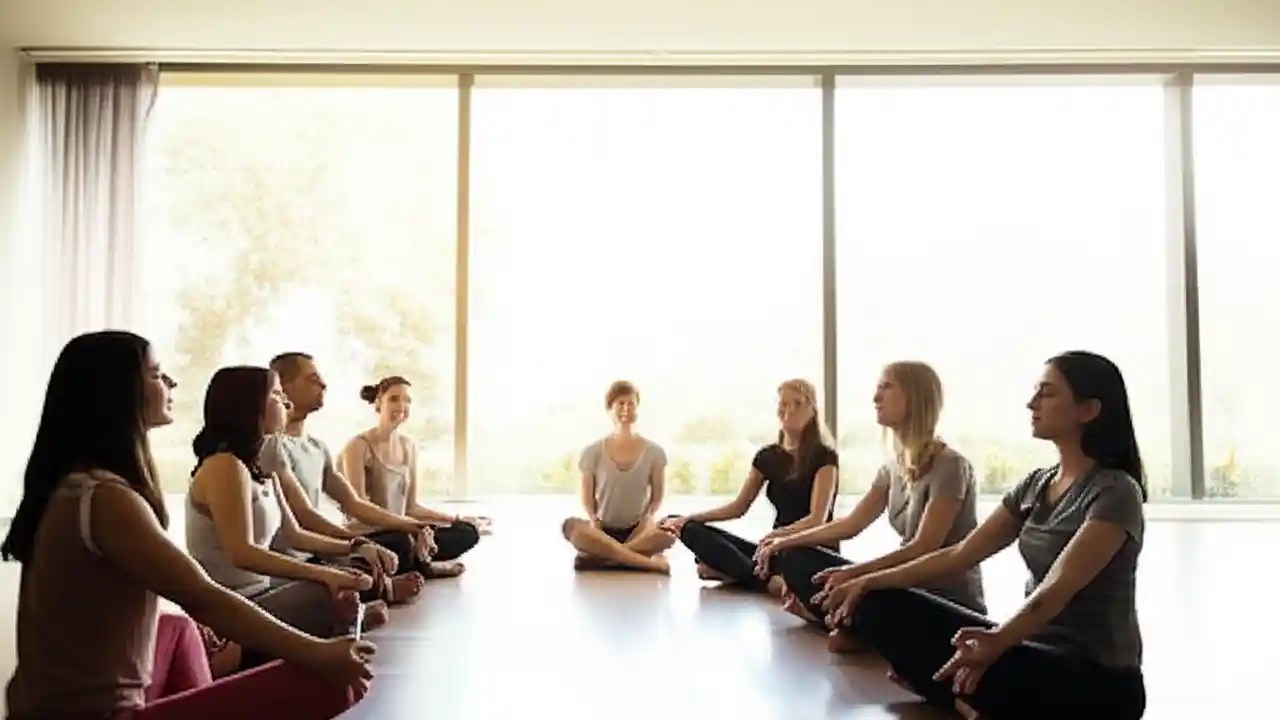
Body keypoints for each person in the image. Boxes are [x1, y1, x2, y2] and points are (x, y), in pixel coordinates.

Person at [2, 331, 374, 719]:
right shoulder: (104, 497)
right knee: (334, 682)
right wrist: (317, 652)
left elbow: (156, 587)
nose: (171, 382)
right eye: (157, 374)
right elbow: (201, 594)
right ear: (118, 392)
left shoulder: (81, 487)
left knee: (177, 629)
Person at [817, 351, 1148, 719]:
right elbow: (959, 554)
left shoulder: (1116, 492)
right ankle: (970, 699)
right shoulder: (1036, 485)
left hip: (1097, 680)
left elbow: (1056, 590)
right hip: (1029, 650)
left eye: (1047, 393)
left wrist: (998, 641)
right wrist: (864, 581)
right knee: (877, 603)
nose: (1031, 403)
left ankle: (962, 697)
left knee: (983, 667)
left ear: (1088, 410)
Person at [757, 362, 984, 651]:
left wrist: (858, 576)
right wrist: (783, 541)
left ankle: (835, 617)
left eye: (886, 387)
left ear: (914, 396)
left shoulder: (951, 465)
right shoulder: (893, 467)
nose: (876, 397)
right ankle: (840, 617)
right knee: (797, 556)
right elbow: (851, 524)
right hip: (902, 587)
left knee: (840, 636)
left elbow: (923, 547)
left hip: (941, 598)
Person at [186, 366, 388, 655]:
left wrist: (356, 546)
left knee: (347, 578)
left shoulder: (259, 468)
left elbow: (296, 535)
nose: (287, 404)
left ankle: (329, 630)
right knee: (326, 593)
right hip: (231, 606)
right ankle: (240, 651)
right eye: (278, 395)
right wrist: (323, 576)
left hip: (262, 592)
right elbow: (241, 552)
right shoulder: (224, 466)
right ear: (251, 406)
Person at [261, 352, 443, 590]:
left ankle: (384, 578)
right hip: (296, 556)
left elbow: (353, 503)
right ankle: (382, 584)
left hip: (322, 551)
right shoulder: (273, 446)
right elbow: (304, 516)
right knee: (395, 548)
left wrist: (412, 525)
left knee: (403, 540)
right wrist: (356, 543)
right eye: (313, 379)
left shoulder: (317, 447)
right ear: (284, 386)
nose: (324, 384)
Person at [659, 379, 838, 595]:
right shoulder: (767, 456)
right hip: (773, 549)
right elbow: (738, 507)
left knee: (780, 558)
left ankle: (750, 577)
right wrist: (688, 519)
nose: (788, 410)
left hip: (809, 549)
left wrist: (780, 537)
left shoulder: (824, 457)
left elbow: (817, 519)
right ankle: (761, 577)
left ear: (812, 410)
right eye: (783, 404)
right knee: (689, 529)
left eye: (797, 404)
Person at [337, 375, 489, 577]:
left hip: (406, 528)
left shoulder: (408, 447)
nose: (401, 405)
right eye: (394, 399)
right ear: (377, 403)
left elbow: (411, 508)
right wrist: (409, 529)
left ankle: (415, 558)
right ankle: (424, 566)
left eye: (407, 400)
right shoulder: (357, 446)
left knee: (467, 532)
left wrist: (456, 519)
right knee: (402, 541)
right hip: (372, 533)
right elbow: (358, 510)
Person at [560, 381, 675, 573]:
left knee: (671, 531)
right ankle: (647, 562)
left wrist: (646, 521)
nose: (626, 409)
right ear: (610, 409)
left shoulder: (655, 452)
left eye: (631, 404)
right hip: (602, 531)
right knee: (571, 526)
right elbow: (587, 498)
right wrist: (594, 522)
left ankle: (604, 559)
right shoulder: (592, 452)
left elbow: (657, 497)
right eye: (620, 404)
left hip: (639, 531)